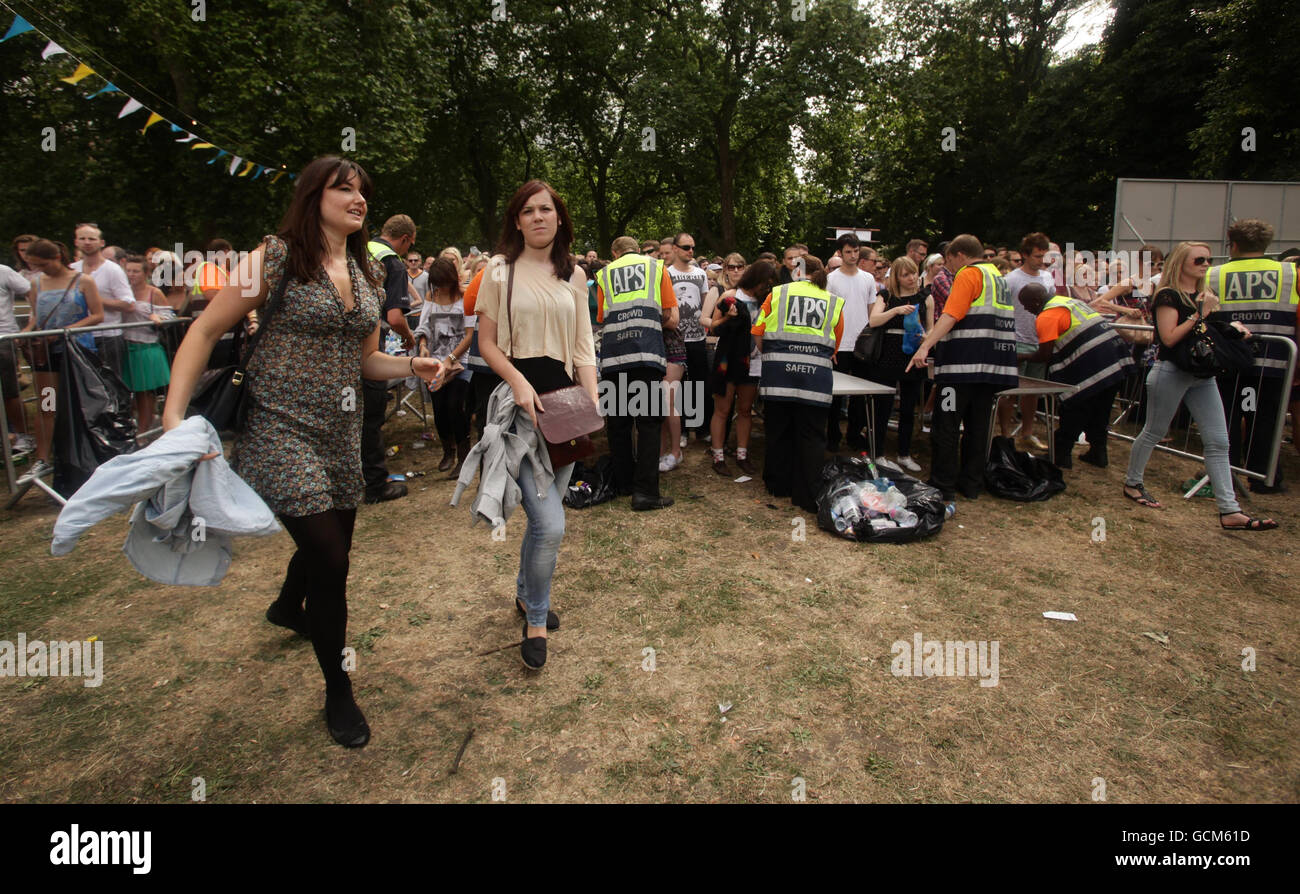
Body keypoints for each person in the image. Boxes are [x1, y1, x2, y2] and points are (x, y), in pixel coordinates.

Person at [163, 156, 448, 747]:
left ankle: (291, 605)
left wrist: (412, 365)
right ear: (312, 195)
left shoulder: (367, 271)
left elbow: (368, 360)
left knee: (332, 551)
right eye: (343, 188)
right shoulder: (275, 255)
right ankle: (338, 690)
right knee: (331, 558)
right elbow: (205, 330)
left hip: (341, 431)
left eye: (363, 190)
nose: (358, 197)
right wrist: (172, 417)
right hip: (279, 426)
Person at [474, 180, 599, 669]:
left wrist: (592, 399)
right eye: (528, 211)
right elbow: (486, 343)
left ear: (560, 218)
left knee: (543, 523)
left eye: (546, 209)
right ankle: (537, 619)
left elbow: (583, 345)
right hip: (519, 412)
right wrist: (518, 384)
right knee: (549, 524)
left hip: (567, 409)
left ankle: (527, 595)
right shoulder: (499, 272)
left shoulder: (576, 275)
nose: (538, 217)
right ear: (517, 221)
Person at [1120, 241, 1275, 529]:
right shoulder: (1168, 295)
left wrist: (1233, 330)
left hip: (1203, 375)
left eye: (1208, 259)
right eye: (1199, 260)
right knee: (1154, 431)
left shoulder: (1204, 295)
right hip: (1171, 371)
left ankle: (1229, 510)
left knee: (1218, 441)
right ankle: (1132, 483)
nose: (1205, 264)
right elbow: (1168, 338)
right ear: (1182, 263)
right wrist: (1200, 311)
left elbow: (1208, 331)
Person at [906, 234, 1017, 501]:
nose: (948, 269)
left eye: (949, 262)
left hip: (960, 367)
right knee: (978, 427)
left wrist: (925, 346)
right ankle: (971, 483)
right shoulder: (998, 277)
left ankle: (943, 483)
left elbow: (951, 315)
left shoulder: (969, 275)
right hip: (991, 369)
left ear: (960, 256)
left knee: (947, 424)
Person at [1207, 218, 1299, 493]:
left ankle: (1227, 474)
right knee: (1265, 419)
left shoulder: (1213, 274)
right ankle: (1263, 478)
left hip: (1229, 359)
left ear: (1233, 244)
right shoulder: (1291, 273)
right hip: (1274, 359)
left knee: (1228, 417)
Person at [753, 256, 844, 513]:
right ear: (821, 273)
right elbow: (835, 343)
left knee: (778, 430)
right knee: (812, 435)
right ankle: (806, 494)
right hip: (814, 377)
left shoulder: (777, 294)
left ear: (795, 272)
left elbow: (758, 332)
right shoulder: (832, 301)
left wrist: (772, 356)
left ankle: (777, 485)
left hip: (778, 375)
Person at [594, 236, 676, 508]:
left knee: (618, 424)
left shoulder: (604, 274)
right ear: (638, 250)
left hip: (614, 357)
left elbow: (602, 316)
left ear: (614, 253)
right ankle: (646, 493)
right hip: (646, 354)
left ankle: (623, 483)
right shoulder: (656, 268)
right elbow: (668, 313)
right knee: (649, 424)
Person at [1017, 283, 1133, 468]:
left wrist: (1020, 357)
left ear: (1037, 301)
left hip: (1093, 365)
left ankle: (1061, 456)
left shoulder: (1047, 316)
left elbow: (1044, 355)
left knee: (1074, 409)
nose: (1025, 308)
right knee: (1101, 412)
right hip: (1116, 361)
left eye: (1026, 304)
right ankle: (1098, 453)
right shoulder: (1068, 302)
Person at [18, 239, 104, 480]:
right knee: (48, 403)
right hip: (47, 356)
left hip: (77, 352)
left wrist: (66, 330)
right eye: (34, 265)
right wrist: (26, 333)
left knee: (80, 404)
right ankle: (43, 458)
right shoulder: (37, 283)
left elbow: (97, 315)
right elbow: (36, 317)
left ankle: (88, 454)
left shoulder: (83, 281)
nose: (39, 269)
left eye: (42, 264)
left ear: (56, 258)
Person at [361, 214, 418, 503]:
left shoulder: (359, 249)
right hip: (369, 347)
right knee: (370, 418)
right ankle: (375, 485)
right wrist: (408, 336)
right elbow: (395, 317)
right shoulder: (393, 263)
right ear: (406, 239)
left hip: (338, 350)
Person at [865, 256, 933, 471]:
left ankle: (904, 452)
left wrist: (926, 340)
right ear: (896, 277)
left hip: (913, 354)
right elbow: (874, 320)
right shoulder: (886, 295)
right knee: (883, 406)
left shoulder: (925, 297)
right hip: (888, 353)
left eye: (913, 273)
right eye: (905, 274)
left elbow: (931, 327)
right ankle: (878, 452)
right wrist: (895, 310)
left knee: (908, 407)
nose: (911, 278)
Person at [708, 256, 773, 476]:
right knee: (723, 410)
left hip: (754, 362)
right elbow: (713, 327)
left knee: (745, 411)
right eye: (765, 282)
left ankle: (742, 454)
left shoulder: (769, 300)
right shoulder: (731, 296)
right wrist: (728, 318)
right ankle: (718, 456)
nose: (767, 286)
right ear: (756, 278)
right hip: (728, 361)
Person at [1000, 232, 1056, 451]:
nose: (1041, 261)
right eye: (1036, 256)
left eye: (1043, 256)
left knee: (1033, 391)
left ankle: (1027, 432)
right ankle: (1005, 434)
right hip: (1016, 339)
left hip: (1040, 340)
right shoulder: (1011, 280)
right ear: (1024, 255)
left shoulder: (1047, 278)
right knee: (1010, 390)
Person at [415, 256, 472, 475]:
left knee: (455, 407)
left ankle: (464, 456)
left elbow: (468, 336)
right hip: (435, 362)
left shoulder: (465, 297)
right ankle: (448, 451)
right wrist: (422, 345)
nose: (442, 287)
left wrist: (452, 359)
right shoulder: (432, 295)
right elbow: (424, 327)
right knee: (439, 410)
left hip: (460, 363)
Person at [825, 233, 876, 451]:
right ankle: (833, 435)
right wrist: (830, 344)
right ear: (840, 252)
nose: (853, 256)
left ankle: (855, 434)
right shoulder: (832, 279)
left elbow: (872, 311)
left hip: (862, 344)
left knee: (860, 394)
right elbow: (828, 313)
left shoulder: (868, 278)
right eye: (848, 251)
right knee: (835, 396)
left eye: (856, 251)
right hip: (840, 344)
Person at [666, 232, 713, 445]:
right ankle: (682, 430)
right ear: (675, 248)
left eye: (692, 247)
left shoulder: (701, 274)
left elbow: (705, 303)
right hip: (674, 340)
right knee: (679, 387)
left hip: (697, 338)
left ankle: (702, 429)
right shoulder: (665, 274)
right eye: (686, 247)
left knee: (700, 384)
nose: (690, 251)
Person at [70, 224, 133, 379]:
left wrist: (95, 300)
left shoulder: (112, 270)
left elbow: (129, 304)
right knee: (85, 382)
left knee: (112, 383)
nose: (87, 242)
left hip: (108, 335)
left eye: (92, 238)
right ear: (76, 242)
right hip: (80, 335)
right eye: (82, 238)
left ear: (101, 243)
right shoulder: (71, 269)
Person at [120, 254, 172, 435]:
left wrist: (158, 317)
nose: (131, 275)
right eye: (128, 271)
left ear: (145, 273)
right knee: (127, 393)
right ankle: (131, 427)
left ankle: (143, 432)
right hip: (124, 346)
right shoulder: (121, 291)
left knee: (144, 393)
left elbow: (169, 316)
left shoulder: (154, 293)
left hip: (146, 347)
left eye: (136, 271)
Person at [1, 260, 34, 455]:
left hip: (4, 339)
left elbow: (33, 293)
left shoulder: (4, 271)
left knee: (10, 392)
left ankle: (23, 436)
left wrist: (32, 324)